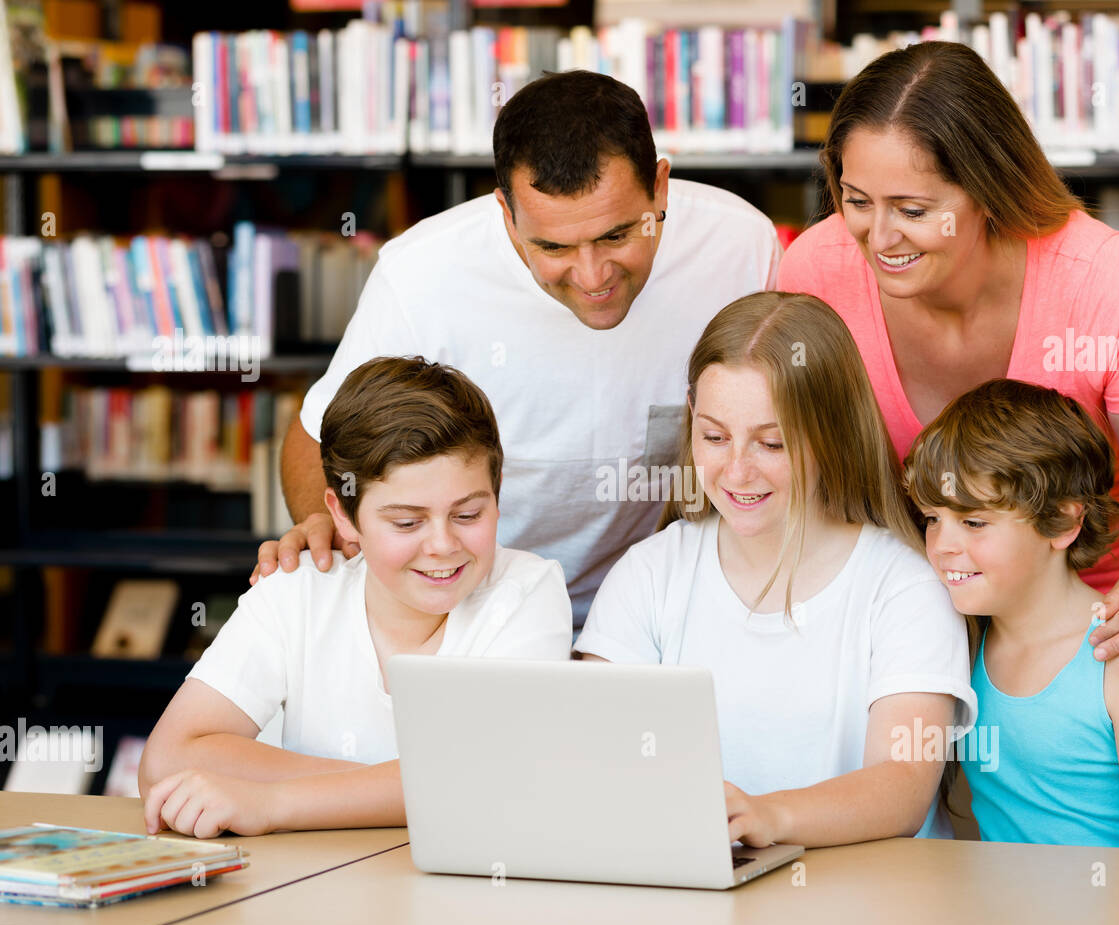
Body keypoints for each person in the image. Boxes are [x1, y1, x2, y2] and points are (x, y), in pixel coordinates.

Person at [778, 41, 1119, 690]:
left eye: (913, 210)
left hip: (1106, 629)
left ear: (989, 190)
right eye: (856, 200)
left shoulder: (1099, 281)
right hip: (924, 620)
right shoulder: (816, 273)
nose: (878, 239)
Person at [255, 70, 782, 625]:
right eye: (553, 246)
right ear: (505, 212)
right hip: (477, 607)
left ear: (660, 187)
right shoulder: (422, 272)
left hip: (674, 608)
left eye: (617, 235)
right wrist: (324, 521)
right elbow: (319, 432)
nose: (592, 275)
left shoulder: (741, 246)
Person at [575, 292, 976, 847]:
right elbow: (591, 752)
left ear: (831, 434)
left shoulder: (904, 586)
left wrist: (768, 819)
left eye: (771, 443)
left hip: (874, 909)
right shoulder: (652, 571)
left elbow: (903, 786)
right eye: (713, 437)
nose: (736, 470)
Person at [138, 358, 573, 837]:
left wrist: (273, 801)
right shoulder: (297, 588)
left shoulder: (527, 594)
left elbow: (493, 780)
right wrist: (408, 787)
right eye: (406, 522)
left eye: (468, 514)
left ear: (497, 493)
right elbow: (165, 761)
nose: (443, 545)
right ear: (343, 516)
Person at [904, 380, 1119, 849]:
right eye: (932, 518)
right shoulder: (963, 639)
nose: (942, 545)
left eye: (974, 522)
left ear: (1063, 521)